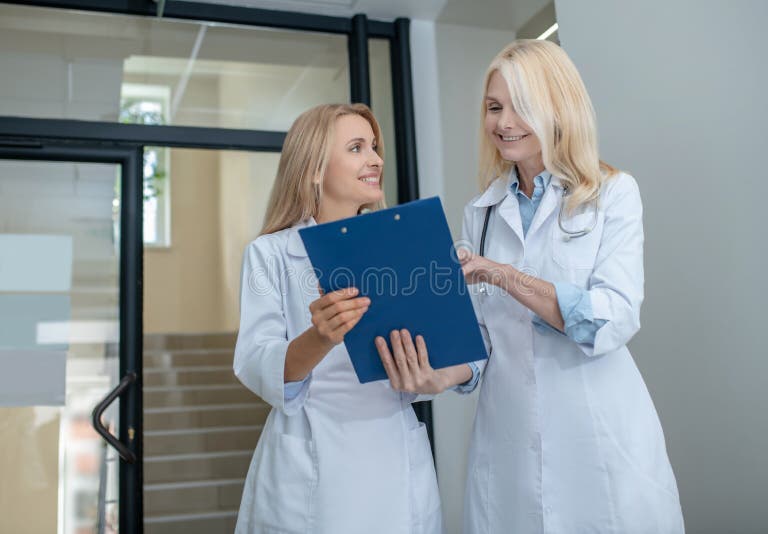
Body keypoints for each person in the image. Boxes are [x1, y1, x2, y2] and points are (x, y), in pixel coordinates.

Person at [376, 40, 685, 533]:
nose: (503, 122)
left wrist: (503, 275)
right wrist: (437, 377)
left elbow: (611, 318)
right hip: (509, 444)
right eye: (494, 107)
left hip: (596, 435)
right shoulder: (479, 214)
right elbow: (478, 343)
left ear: (558, 108)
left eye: (521, 106)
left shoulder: (610, 195)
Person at [233, 103, 442, 534]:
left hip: (393, 452)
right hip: (313, 458)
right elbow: (258, 364)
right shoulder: (270, 255)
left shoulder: (405, 246)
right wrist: (320, 337)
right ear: (314, 169)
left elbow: (442, 348)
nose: (377, 159)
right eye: (357, 147)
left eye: (375, 147)